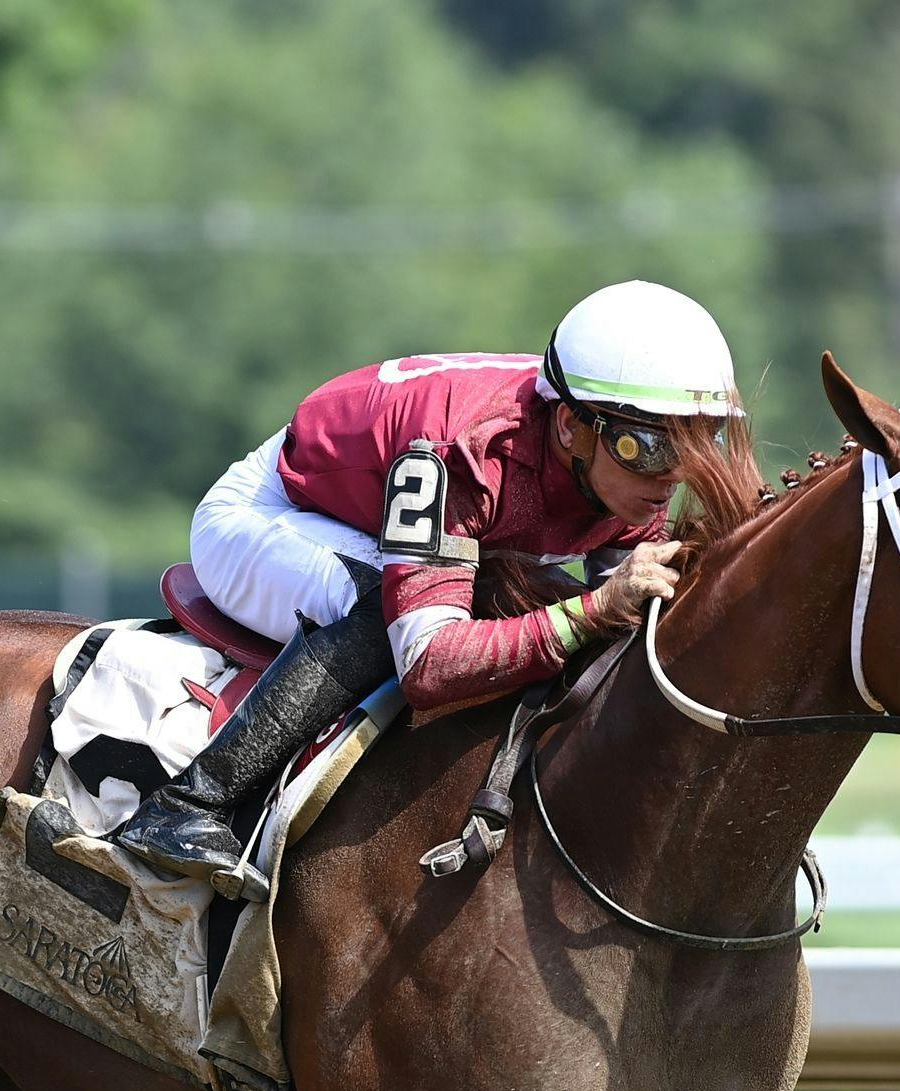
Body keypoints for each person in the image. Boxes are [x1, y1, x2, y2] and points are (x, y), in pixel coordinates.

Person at [115, 280, 749, 900]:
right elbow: (427, 663)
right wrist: (591, 609)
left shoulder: (620, 463)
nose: (673, 474)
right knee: (383, 612)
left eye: (702, 438)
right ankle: (190, 802)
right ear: (569, 429)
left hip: (395, 509)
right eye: (648, 444)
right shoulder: (460, 453)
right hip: (271, 514)